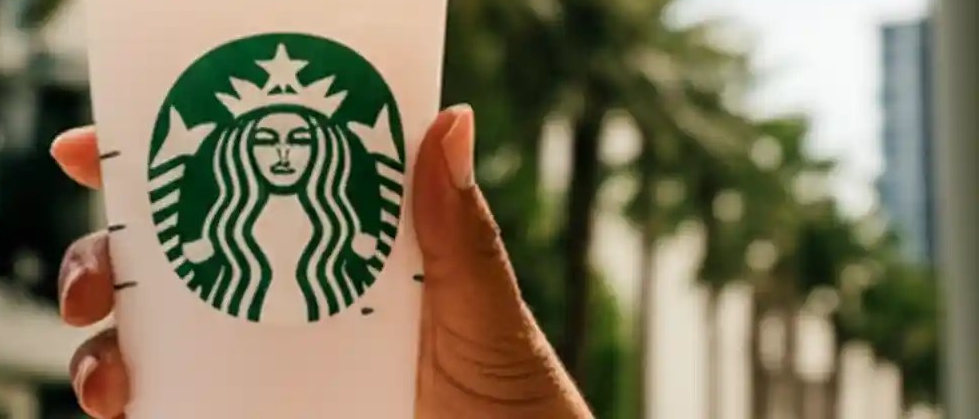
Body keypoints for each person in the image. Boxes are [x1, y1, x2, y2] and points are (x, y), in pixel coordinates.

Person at [52, 105, 595, 418]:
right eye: (266, 140)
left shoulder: (346, 240)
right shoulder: (213, 236)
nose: (284, 154)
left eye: (299, 139)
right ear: (238, 150)